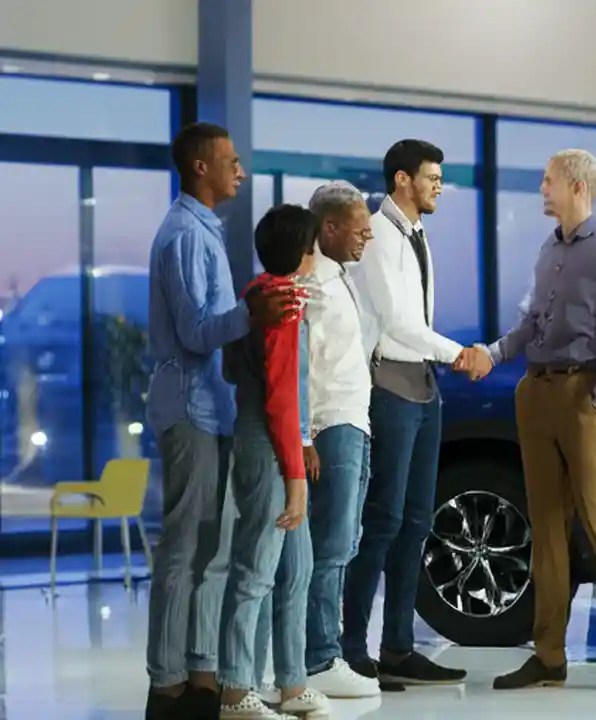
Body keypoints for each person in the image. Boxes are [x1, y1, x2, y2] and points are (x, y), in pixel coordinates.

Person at [460, 149, 596, 693]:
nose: (542, 190)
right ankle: (549, 655)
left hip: (584, 395)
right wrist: (495, 353)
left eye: (548, 181)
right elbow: (532, 323)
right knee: (546, 526)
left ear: (576, 185)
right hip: (537, 392)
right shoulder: (549, 250)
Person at [145, 122, 298, 720]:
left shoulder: (205, 231)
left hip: (212, 404)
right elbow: (193, 333)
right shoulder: (184, 233)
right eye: (231, 161)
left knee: (211, 547)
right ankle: (168, 684)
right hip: (187, 406)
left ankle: (201, 673)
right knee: (184, 547)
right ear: (200, 168)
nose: (241, 170)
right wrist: (250, 313)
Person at [345, 139, 468, 686]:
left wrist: (442, 361)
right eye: (431, 177)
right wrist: (459, 353)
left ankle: (397, 646)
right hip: (389, 385)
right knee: (383, 521)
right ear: (402, 180)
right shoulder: (377, 237)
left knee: (417, 521)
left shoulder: (416, 233)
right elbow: (396, 322)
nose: (439, 185)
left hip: (423, 385)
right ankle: (351, 650)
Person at [218, 204, 329, 718]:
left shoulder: (259, 293)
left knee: (297, 567)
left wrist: (303, 443)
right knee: (257, 569)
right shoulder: (280, 303)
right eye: (313, 245)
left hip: (278, 439)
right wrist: (295, 479)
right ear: (303, 251)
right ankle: (237, 689)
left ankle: (291, 683)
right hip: (267, 444)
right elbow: (282, 398)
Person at [298, 181, 381, 698]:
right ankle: (319, 657)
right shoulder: (314, 289)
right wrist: (306, 437)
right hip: (331, 427)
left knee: (344, 542)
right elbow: (303, 370)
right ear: (329, 227)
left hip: (356, 421)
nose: (368, 234)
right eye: (360, 226)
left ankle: (324, 653)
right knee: (329, 548)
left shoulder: (343, 280)